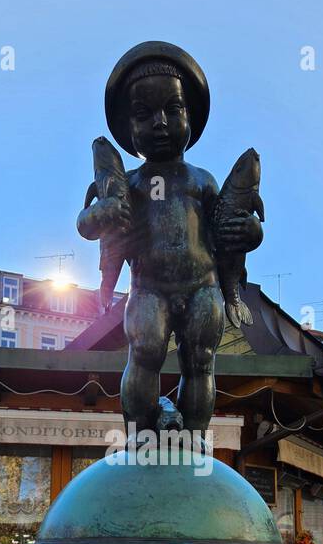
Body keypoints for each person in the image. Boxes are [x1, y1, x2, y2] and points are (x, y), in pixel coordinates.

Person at [77, 41, 263, 434]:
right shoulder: (129, 185)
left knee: (200, 359)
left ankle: (195, 436)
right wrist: (101, 212)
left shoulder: (202, 181)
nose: (160, 123)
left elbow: (231, 229)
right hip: (148, 287)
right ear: (129, 128)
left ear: (189, 118)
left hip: (203, 286)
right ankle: (141, 432)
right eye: (145, 114)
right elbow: (87, 224)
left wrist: (252, 230)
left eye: (172, 110)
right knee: (144, 353)